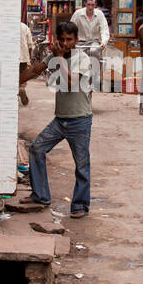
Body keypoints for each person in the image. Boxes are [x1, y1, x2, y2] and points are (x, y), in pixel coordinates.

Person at [19, 21, 93, 218]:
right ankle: (40, 195)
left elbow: (70, 81)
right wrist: (11, 81)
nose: (65, 43)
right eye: (61, 39)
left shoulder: (82, 59)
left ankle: (79, 206)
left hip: (80, 120)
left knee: (82, 164)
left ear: (76, 41)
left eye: (69, 40)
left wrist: (59, 57)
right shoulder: (55, 56)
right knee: (37, 149)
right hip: (61, 120)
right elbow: (35, 70)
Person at [18, 21, 33, 106]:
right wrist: (29, 57)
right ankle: (21, 88)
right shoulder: (24, 26)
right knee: (22, 77)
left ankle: (17, 90)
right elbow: (30, 44)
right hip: (23, 57)